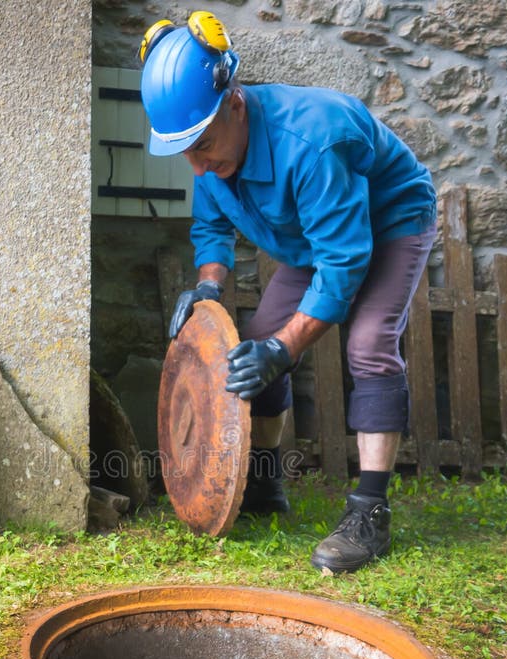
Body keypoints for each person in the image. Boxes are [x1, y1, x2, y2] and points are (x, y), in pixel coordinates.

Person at [139, 12, 437, 574]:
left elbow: (345, 261)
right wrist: (207, 288)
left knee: (369, 341)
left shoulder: (314, 139)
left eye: (203, 145)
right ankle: (265, 485)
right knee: (253, 342)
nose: (198, 164)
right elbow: (211, 226)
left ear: (236, 102)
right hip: (315, 239)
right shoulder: (210, 155)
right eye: (186, 152)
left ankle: (369, 513)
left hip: (392, 219)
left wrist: (287, 347)